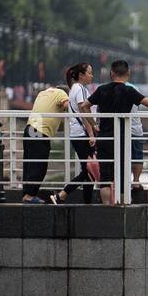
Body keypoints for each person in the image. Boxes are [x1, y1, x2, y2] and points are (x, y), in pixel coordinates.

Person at [86, 60, 148, 204]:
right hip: (122, 137)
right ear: (128, 74)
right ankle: (123, 201)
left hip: (104, 137)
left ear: (111, 73)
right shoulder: (128, 90)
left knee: (105, 176)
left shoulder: (102, 89)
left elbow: (84, 106)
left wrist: (93, 124)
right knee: (123, 170)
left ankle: (107, 208)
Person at [52, 62, 97, 205]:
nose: (92, 75)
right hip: (82, 134)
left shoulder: (75, 89)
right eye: (89, 72)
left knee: (89, 170)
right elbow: (84, 112)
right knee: (89, 170)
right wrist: (91, 132)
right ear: (81, 75)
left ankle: (87, 202)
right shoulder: (80, 89)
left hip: (78, 134)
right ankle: (62, 194)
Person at [21, 82, 70, 203]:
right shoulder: (62, 93)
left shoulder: (43, 93)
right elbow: (67, 105)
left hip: (29, 129)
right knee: (39, 165)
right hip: (40, 131)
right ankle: (30, 196)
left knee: (29, 164)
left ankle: (26, 194)